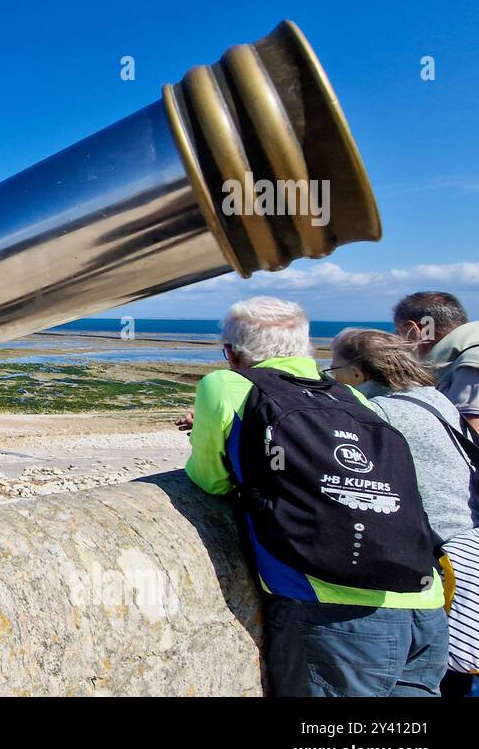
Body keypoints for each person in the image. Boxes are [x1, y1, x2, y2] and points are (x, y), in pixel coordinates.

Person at [180, 297, 447, 697]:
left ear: (231, 353)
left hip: (334, 607)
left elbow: (211, 480)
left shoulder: (226, 384)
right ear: (306, 348)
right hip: (423, 603)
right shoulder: (350, 397)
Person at [327, 328, 475, 541]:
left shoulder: (376, 412)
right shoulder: (435, 397)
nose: (333, 377)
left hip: (430, 544)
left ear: (357, 374)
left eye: (334, 369)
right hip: (465, 534)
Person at [393, 292, 479, 434]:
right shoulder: (460, 357)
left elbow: (472, 437)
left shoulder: (471, 361)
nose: (396, 340)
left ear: (417, 330)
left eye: (398, 332)